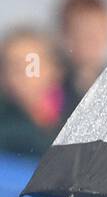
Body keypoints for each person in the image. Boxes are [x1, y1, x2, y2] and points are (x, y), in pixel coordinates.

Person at [0, 25, 64, 156]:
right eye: (9, 65)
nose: (18, 74)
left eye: (30, 65)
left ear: (53, 69)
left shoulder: (80, 111)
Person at [55, 0, 107, 117]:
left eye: (96, 31)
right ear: (64, 35)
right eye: (80, 32)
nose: (89, 39)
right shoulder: (52, 90)